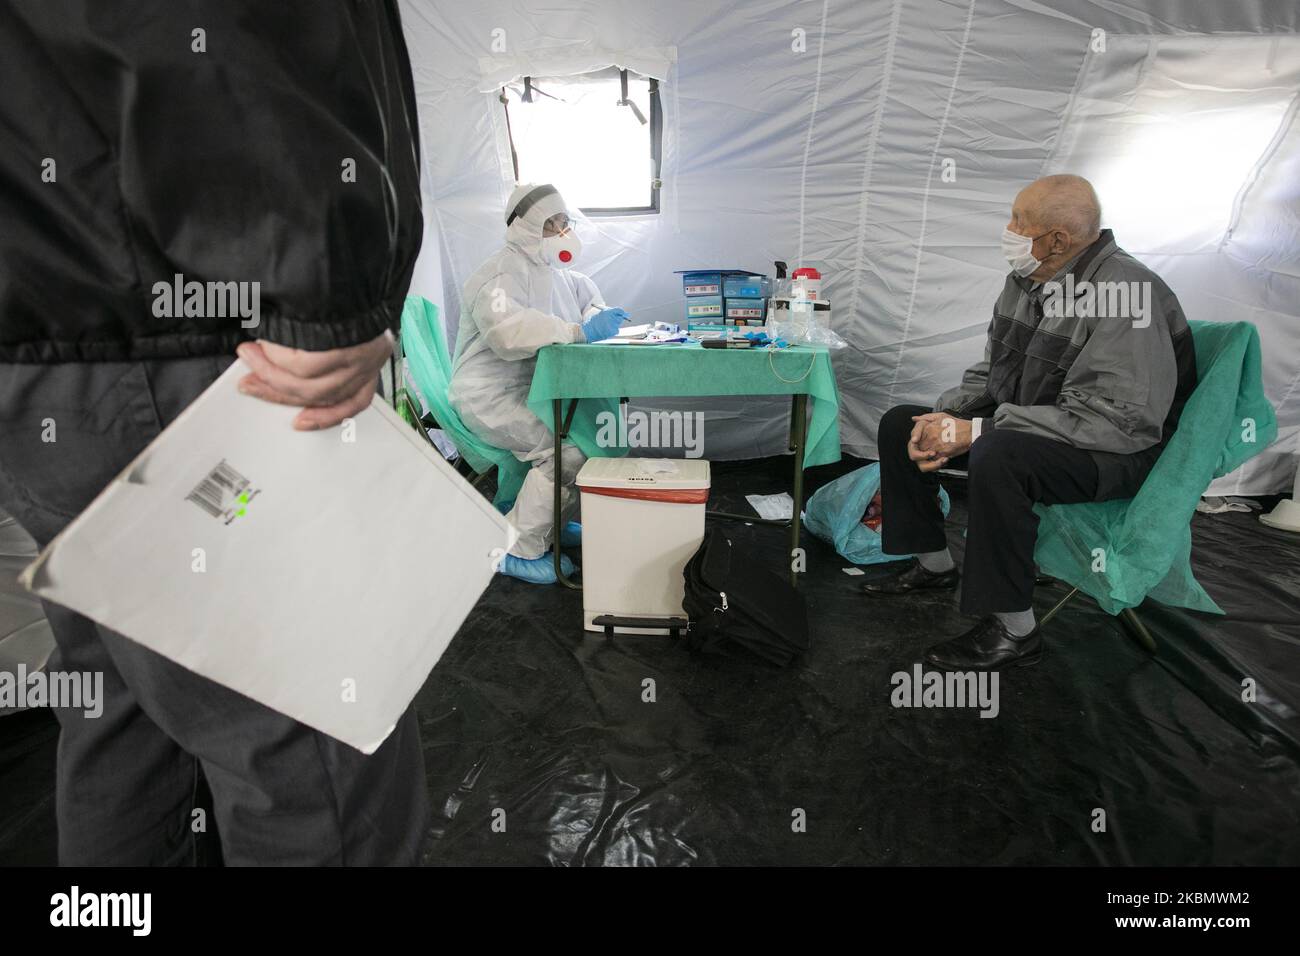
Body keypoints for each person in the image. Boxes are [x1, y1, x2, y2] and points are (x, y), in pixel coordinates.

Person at [0, 0, 428, 864]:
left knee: (125, 710)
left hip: (49, 343)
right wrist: (327, 293)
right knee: (315, 754)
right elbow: (220, 27)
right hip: (186, 341)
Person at [866, 174, 1198, 671]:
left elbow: (1120, 418)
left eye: (1019, 220)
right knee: (901, 423)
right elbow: (993, 370)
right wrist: (948, 416)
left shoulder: (1128, 294)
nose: (1009, 228)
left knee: (998, 454)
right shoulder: (1027, 280)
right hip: (1046, 426)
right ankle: (933, 565)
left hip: (1116, 450)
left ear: (1058, 239)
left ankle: (1015, 632)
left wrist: (978, 432)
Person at [449, 182, 629, 585]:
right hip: (488, 396)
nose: (564, 233)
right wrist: (578, 331)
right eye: (552, 225)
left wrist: (597, 314)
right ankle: (517, 548)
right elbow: (507, 332)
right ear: (526, 228)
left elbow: (587, 298)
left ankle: (551, 524)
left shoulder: (556, 274)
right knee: (568, 450)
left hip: (531, 392)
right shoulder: (498, 273)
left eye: (565, 223)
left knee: (594, 435)